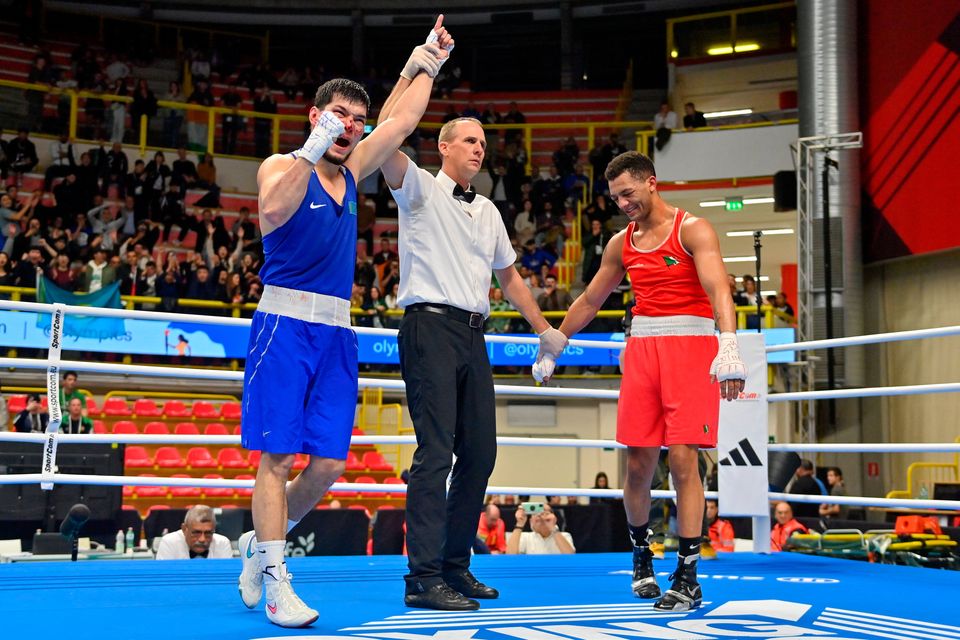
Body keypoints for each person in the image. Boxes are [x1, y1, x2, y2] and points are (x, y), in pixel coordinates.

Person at [235, 21, 454, 629]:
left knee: (329, 464)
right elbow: (273, 212)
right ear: (314, 116)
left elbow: (402, 122)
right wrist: (311, 149)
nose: (349, 127)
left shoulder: (353, 171)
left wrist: (426, 60)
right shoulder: (281, 165)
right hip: (282, 324)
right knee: (276, 459)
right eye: (338, 115)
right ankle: (277, 577)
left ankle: (262, 544)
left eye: (355, 120)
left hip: (336, 333)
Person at [380, 108, 567, 609]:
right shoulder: (417, 186)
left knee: (480, 454)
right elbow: (385, 137)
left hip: (472, 334)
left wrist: (545, 330)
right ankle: (421, 578)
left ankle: (454, 566)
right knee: (436, 453)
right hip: (428, 327)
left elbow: (509, 279)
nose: (478, 148)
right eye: (467, 140)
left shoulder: (488, 210)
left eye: (482, 142)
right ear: (443, 147)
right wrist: (418, 70)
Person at [543, 151, 746, 612]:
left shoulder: (693, 229)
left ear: (652, 183)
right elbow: (592, 298)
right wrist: (557, 340)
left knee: (682, 461)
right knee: (637, 465)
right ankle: (641, 555)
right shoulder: (621, 243)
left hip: (691, 349)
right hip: (643, 351)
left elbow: (718, 288)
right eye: (616, 198)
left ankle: (689, 575)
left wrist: (728, 342)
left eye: (629, 194)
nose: (623, 204)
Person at [155, 505, 233, 560]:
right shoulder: (169, 542)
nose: (202, 539)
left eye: (208, 533)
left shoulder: (222, 543)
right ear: (184, 529)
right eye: (196, 532)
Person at [506, 504, 575, 555]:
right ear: (531, 521)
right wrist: (520, 523)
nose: (541, 515)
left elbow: (571, 557)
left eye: (546, 512)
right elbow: (510, 557)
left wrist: (552, 527)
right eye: (536, 513)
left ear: (554, 518)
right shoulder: (525, 537)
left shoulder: (564, 536)